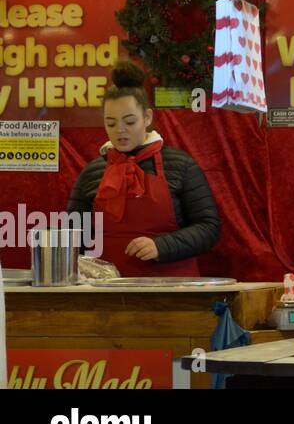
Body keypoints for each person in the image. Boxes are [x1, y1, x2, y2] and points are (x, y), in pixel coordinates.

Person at [67, 61, 222, 276]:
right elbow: (74, 235)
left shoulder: (180, 165)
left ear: (147, 118)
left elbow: (209, 227)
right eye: (110, 123)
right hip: (107, 293)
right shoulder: (93, 172)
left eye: (129, 122)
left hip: (173, 290)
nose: (120, 130)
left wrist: (162, 246)